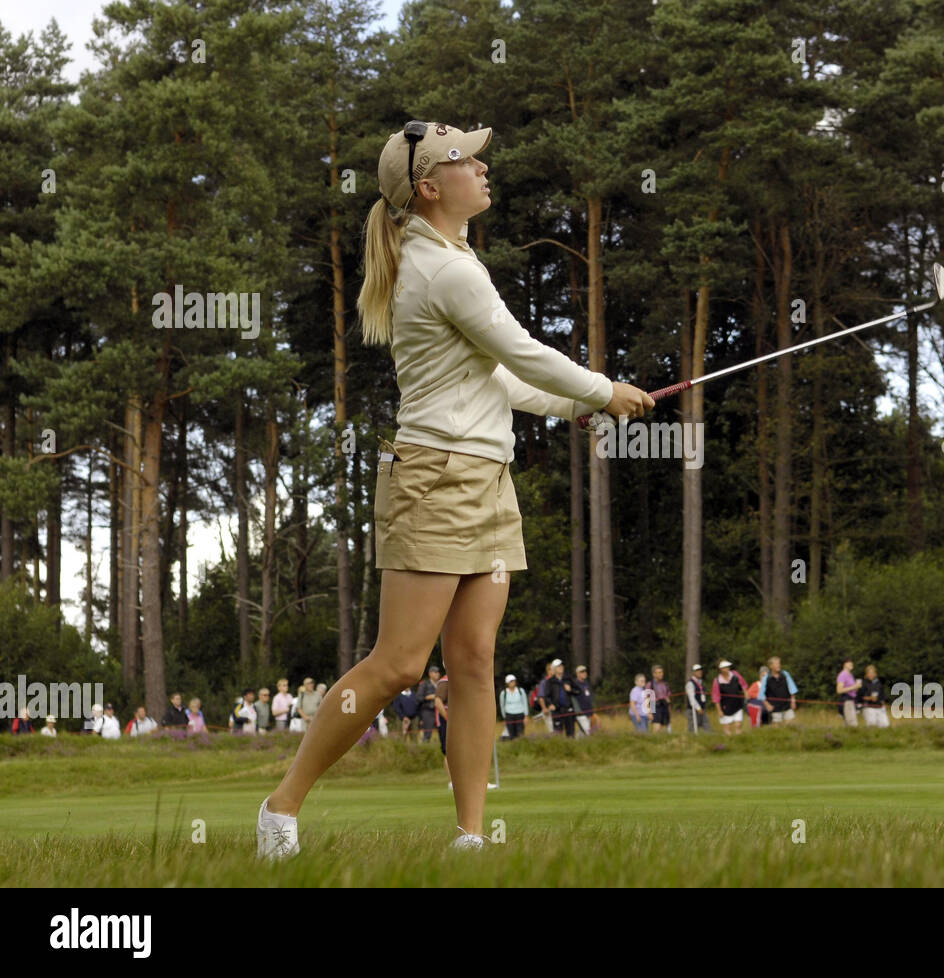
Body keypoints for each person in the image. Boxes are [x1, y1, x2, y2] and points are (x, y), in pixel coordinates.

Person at [254, 119, 655, 857]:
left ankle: (470, 837)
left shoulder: (451, 256)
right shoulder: (446, 269)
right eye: (466, 160)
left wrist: (581, 403)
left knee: (473, 661)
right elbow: (522, 351)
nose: (484, 168)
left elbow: (499, 378)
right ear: (432, 187)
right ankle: (282, 805)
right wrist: (603, 391)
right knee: (401, 664)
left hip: (488, 479)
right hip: (433, 479)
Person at [541, 660, 576, 737]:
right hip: (556, 711)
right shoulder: (549, 681)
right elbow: (546, 696)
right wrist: (550, 704)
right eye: (558, 666)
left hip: (568, 709)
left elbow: (578, 691)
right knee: (558, 734)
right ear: (554, 669)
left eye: (562, 666)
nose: (561, 667)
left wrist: (570, 690)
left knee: (571, 734)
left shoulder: (568, 679)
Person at [711, 661, 748, 734]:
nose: (727, 668)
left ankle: (738, 740)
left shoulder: (735, 674)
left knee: (738, 725)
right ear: (720, 669)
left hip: (737, 705)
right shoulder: (717, 680)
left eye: (728, 666)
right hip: (726, 707)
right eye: (724, 667)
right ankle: (729, 742)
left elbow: (743, 685)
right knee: (727, 727)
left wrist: (746, 694)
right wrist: (719, 711)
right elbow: (716, 697)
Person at [759, 656, 798, 723]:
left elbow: (792, 689)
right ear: (771, 666)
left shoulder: (785, 674)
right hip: (774, 707)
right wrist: (767, 705)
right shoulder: (766, 678)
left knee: (790, 725)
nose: (779, 665)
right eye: (776, 664)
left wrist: (793, 701)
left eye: (779, 663)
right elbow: (761, 694)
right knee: (777, 728)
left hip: (787, 705)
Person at [417, 665, 443, 743]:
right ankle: (426, 749)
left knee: (442, 732)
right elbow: (418, 698)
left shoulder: (441, 684)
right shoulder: (424, 684)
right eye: (435, 672)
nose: (437, 674)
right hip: (428, 711)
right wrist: (429, 697)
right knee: (427, 734)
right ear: (430, 674)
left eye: (438, 672)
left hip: (440, 710)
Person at [498, 675, 528, 739]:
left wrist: (526, 715)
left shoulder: (521, 691)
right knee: (511, 735)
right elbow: (502, 706)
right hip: (509, 715)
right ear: (507, 683)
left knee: (520, 734)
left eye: (513, 681)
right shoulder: (504, 693)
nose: (512, 682)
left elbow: (525, 703)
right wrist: (505, 717)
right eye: (511, 681)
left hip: (520, 714)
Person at [685, 664, 712, 733]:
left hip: (702, 709)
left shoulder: (701, 682)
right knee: (693, 728)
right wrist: (698, 708)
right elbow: (691, 698)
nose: (700, 672)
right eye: (697, 671)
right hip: (693, 710)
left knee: (707, 726)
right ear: (693, 672)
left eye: (700, 670)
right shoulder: (690, 683)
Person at [571, 665, 596, 735]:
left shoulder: (586, 683)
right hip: (580, 713)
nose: (584, 673)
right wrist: (577, 711)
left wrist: (592, 711)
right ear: (577, 674)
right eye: (582, 672)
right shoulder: (574, 684)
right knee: (588, 732)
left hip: (589, 712)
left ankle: (576, 743)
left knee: (583, 732)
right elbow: (573, 699)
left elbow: (589, 697)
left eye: (585, 671)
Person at [837, 660, 861, 726]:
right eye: (849, 662)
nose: (851, 663)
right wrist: (854, 687)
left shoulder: (850, 675)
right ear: (844, 664)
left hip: (852, 700)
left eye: (852, 662)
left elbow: (853, 690)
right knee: (853, 724)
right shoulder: (842, 675)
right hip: (846, 701)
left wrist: (857, 687)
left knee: (847, 725)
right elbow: (839, 690)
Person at [649, 665, 672, 733]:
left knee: (664, 727)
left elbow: (668, 696)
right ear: (654, 674)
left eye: (661, 672)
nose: (661, 674)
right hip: (656, 706)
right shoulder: (650, 684)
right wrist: (650, 712)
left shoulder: (665, 684)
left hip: (664, 706)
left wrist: (668, 706)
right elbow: (648, 699)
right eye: (658, 672)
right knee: (657, 727)